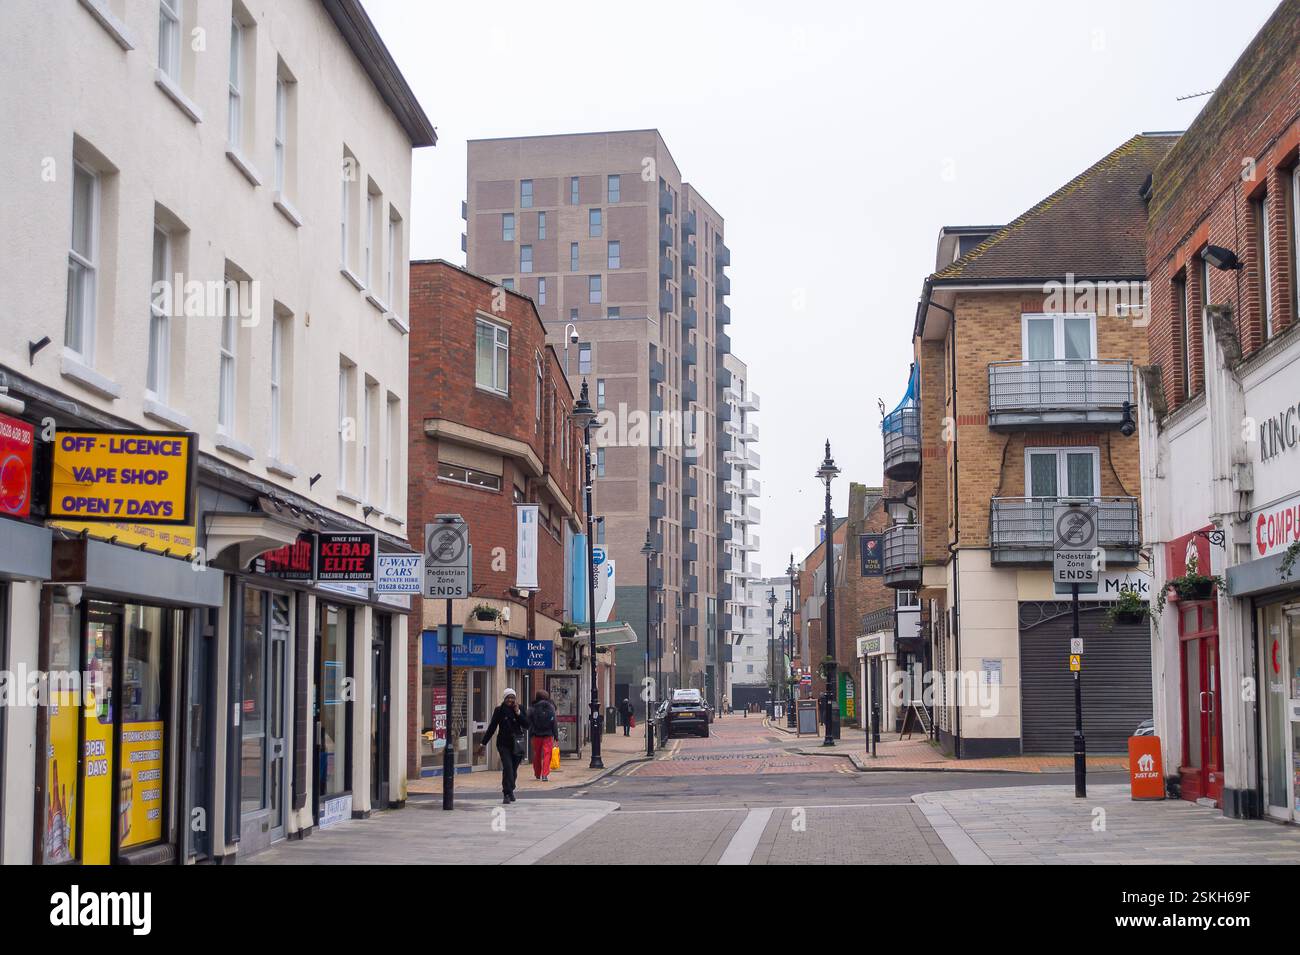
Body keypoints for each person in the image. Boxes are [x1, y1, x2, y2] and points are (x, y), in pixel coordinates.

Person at [479, 689, 528, 804]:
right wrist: (483, 743)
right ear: (504, 698)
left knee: (513, 770)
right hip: (503, 744)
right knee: (508, 768)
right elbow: (492, 727)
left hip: (517, 744)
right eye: (508, 698)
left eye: (512, 698)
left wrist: (518, 713)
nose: (510, 700)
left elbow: (527, 724)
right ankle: (506, 793)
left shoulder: (520, 708)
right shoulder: (499, 710)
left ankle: (511, 789)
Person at [528, 689, 559, 781]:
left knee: (537, 754)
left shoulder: (532, 707)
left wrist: (531, 732)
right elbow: (554, 723)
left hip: (536, 735)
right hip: (548, 735)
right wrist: (556, 736)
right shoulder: (551, 707)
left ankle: (537, 773)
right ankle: (545, 774)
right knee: (547, 754)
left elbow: (528, 720)